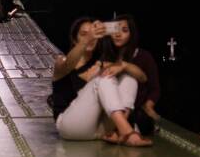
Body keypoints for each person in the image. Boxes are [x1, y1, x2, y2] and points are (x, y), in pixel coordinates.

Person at [52, 16, 152, 146]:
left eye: (93, 34)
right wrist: (87, 39)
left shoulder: (101, 64)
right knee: (102, 79)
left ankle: (120, 129)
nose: (90, 38)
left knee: (128, 77)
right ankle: (127, 132)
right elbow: (68, 66)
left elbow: (143, 77)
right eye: (84, 34)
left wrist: (124, 66)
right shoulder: (62, 62)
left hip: (98, 129)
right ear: (74, 39)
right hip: (70, 127)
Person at [107, 14, 161, 136]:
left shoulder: (144, 56)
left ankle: (124, 128)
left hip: (134, 112)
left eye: (124, 30)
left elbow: (155, 89)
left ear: (131, 34)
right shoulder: (107, 56)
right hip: (109, 111)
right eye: (114, 30)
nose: (118, 34)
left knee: (128, 78)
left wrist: (147, 106)